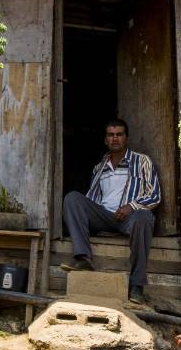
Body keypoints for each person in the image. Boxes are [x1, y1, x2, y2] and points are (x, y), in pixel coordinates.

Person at [60, 119, 161, 304]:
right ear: (106, 140)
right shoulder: (99, 167)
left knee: (144, 217)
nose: (115, 138)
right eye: (111, 135)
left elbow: (154, 195)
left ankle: (137, 284)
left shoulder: (142, 161)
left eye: (119, 134)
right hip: (104, 216)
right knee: (72, 198)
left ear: (126, 138)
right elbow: (92, 198)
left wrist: (131, 206)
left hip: (130, 218)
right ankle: (83, 258)